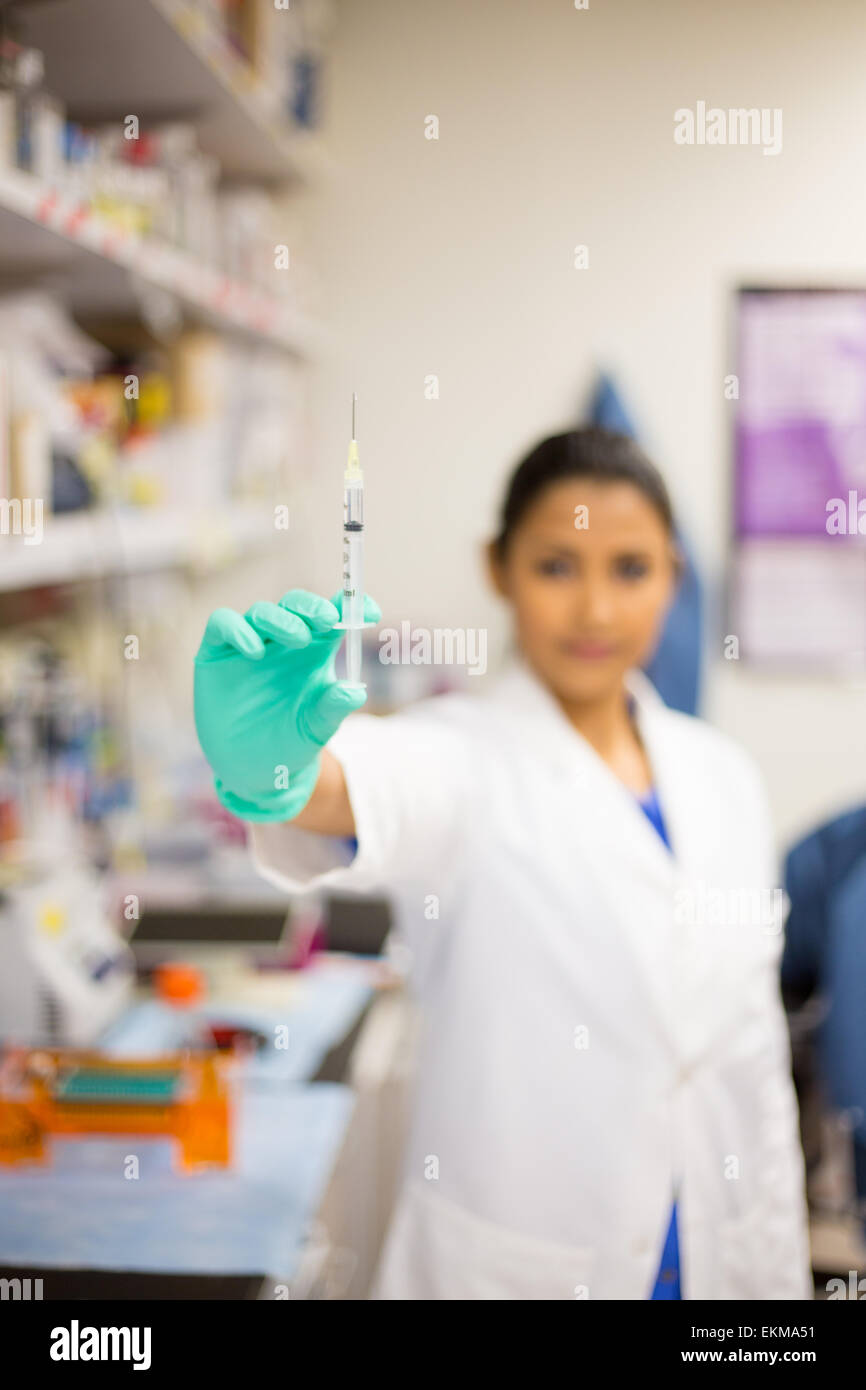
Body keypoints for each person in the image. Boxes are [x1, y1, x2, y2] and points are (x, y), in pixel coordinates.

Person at [193, 427, 812, 1300]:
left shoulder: (724, 778)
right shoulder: (463, 757)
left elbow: (753, 1059)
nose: (595, 610)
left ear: (674, 574)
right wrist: (276, 772)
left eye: (629, 569)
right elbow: (368, 784)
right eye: (557, 566)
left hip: (730, 1260)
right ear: (499, 568)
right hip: (523, 1265)